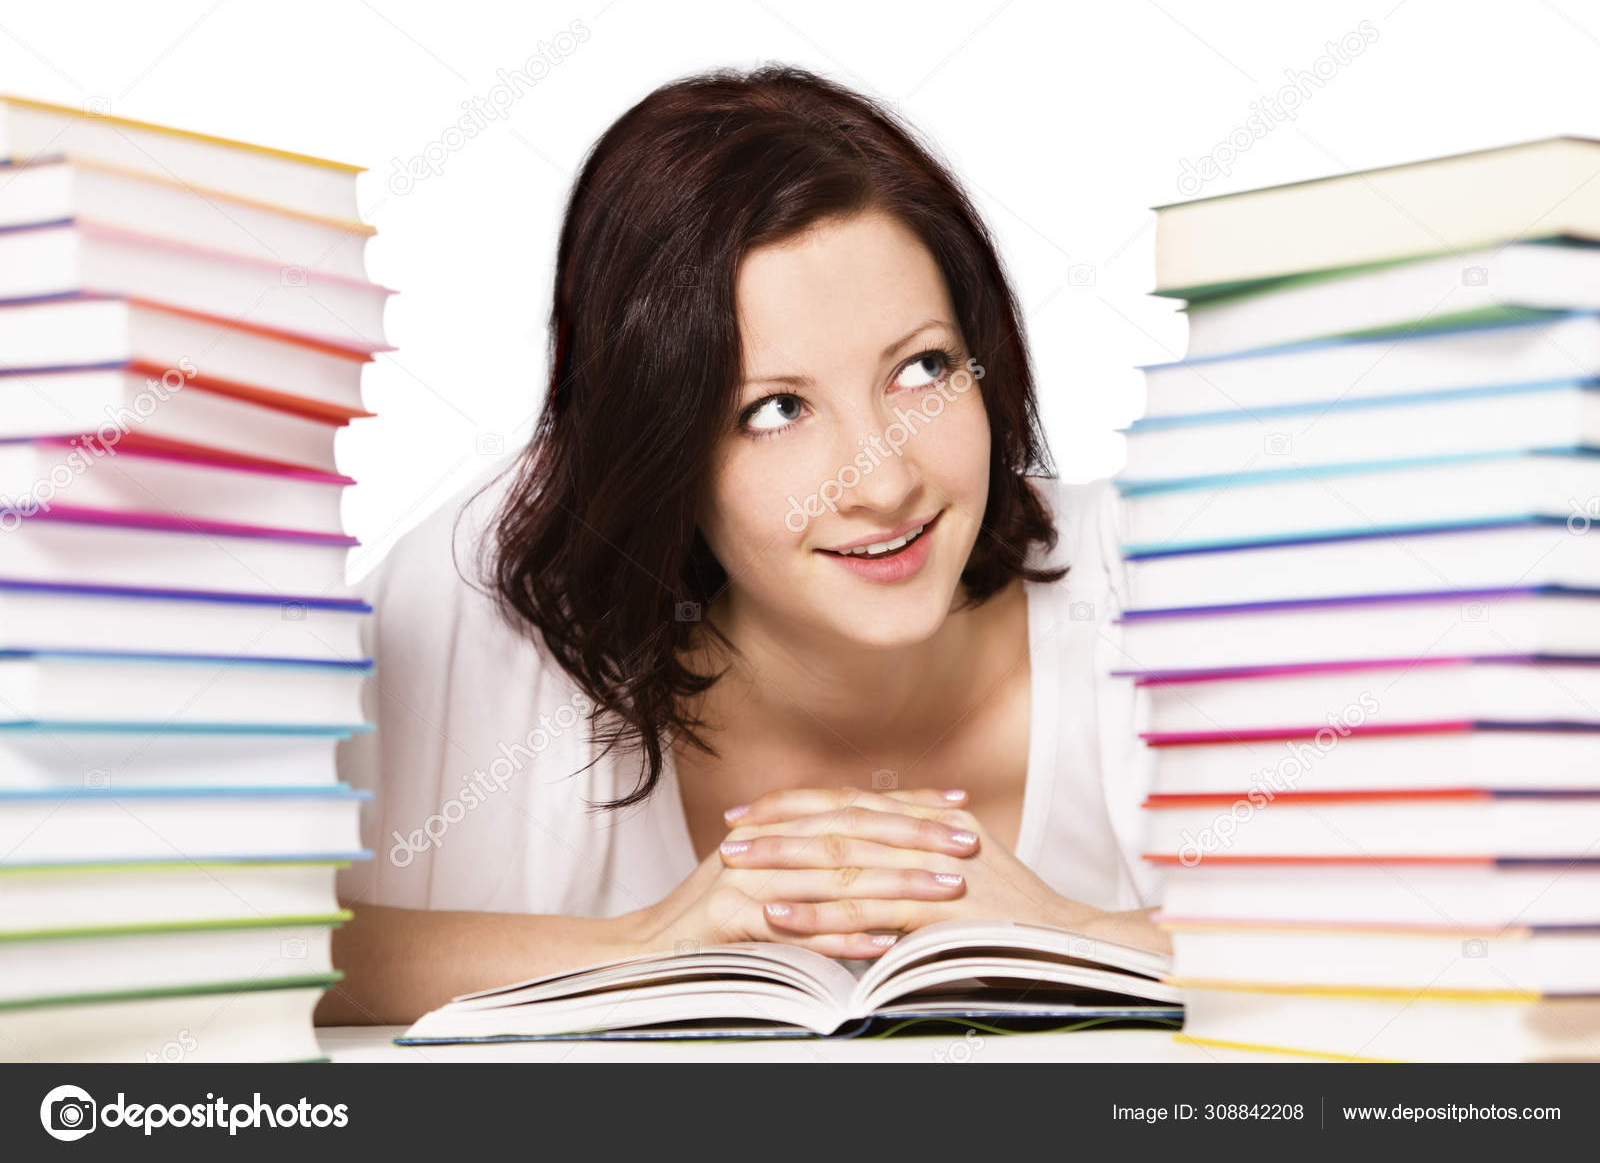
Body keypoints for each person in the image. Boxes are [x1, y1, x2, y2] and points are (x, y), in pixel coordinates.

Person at [320, 64, 1162, 1026]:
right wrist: (639, 953)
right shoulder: (491, 598)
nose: (883, 481)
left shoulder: (1156, 581)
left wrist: (1069, 938)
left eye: (922, 367)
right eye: (774, 410)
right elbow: (216, 943)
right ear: (664, 449)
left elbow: (1375, 935)